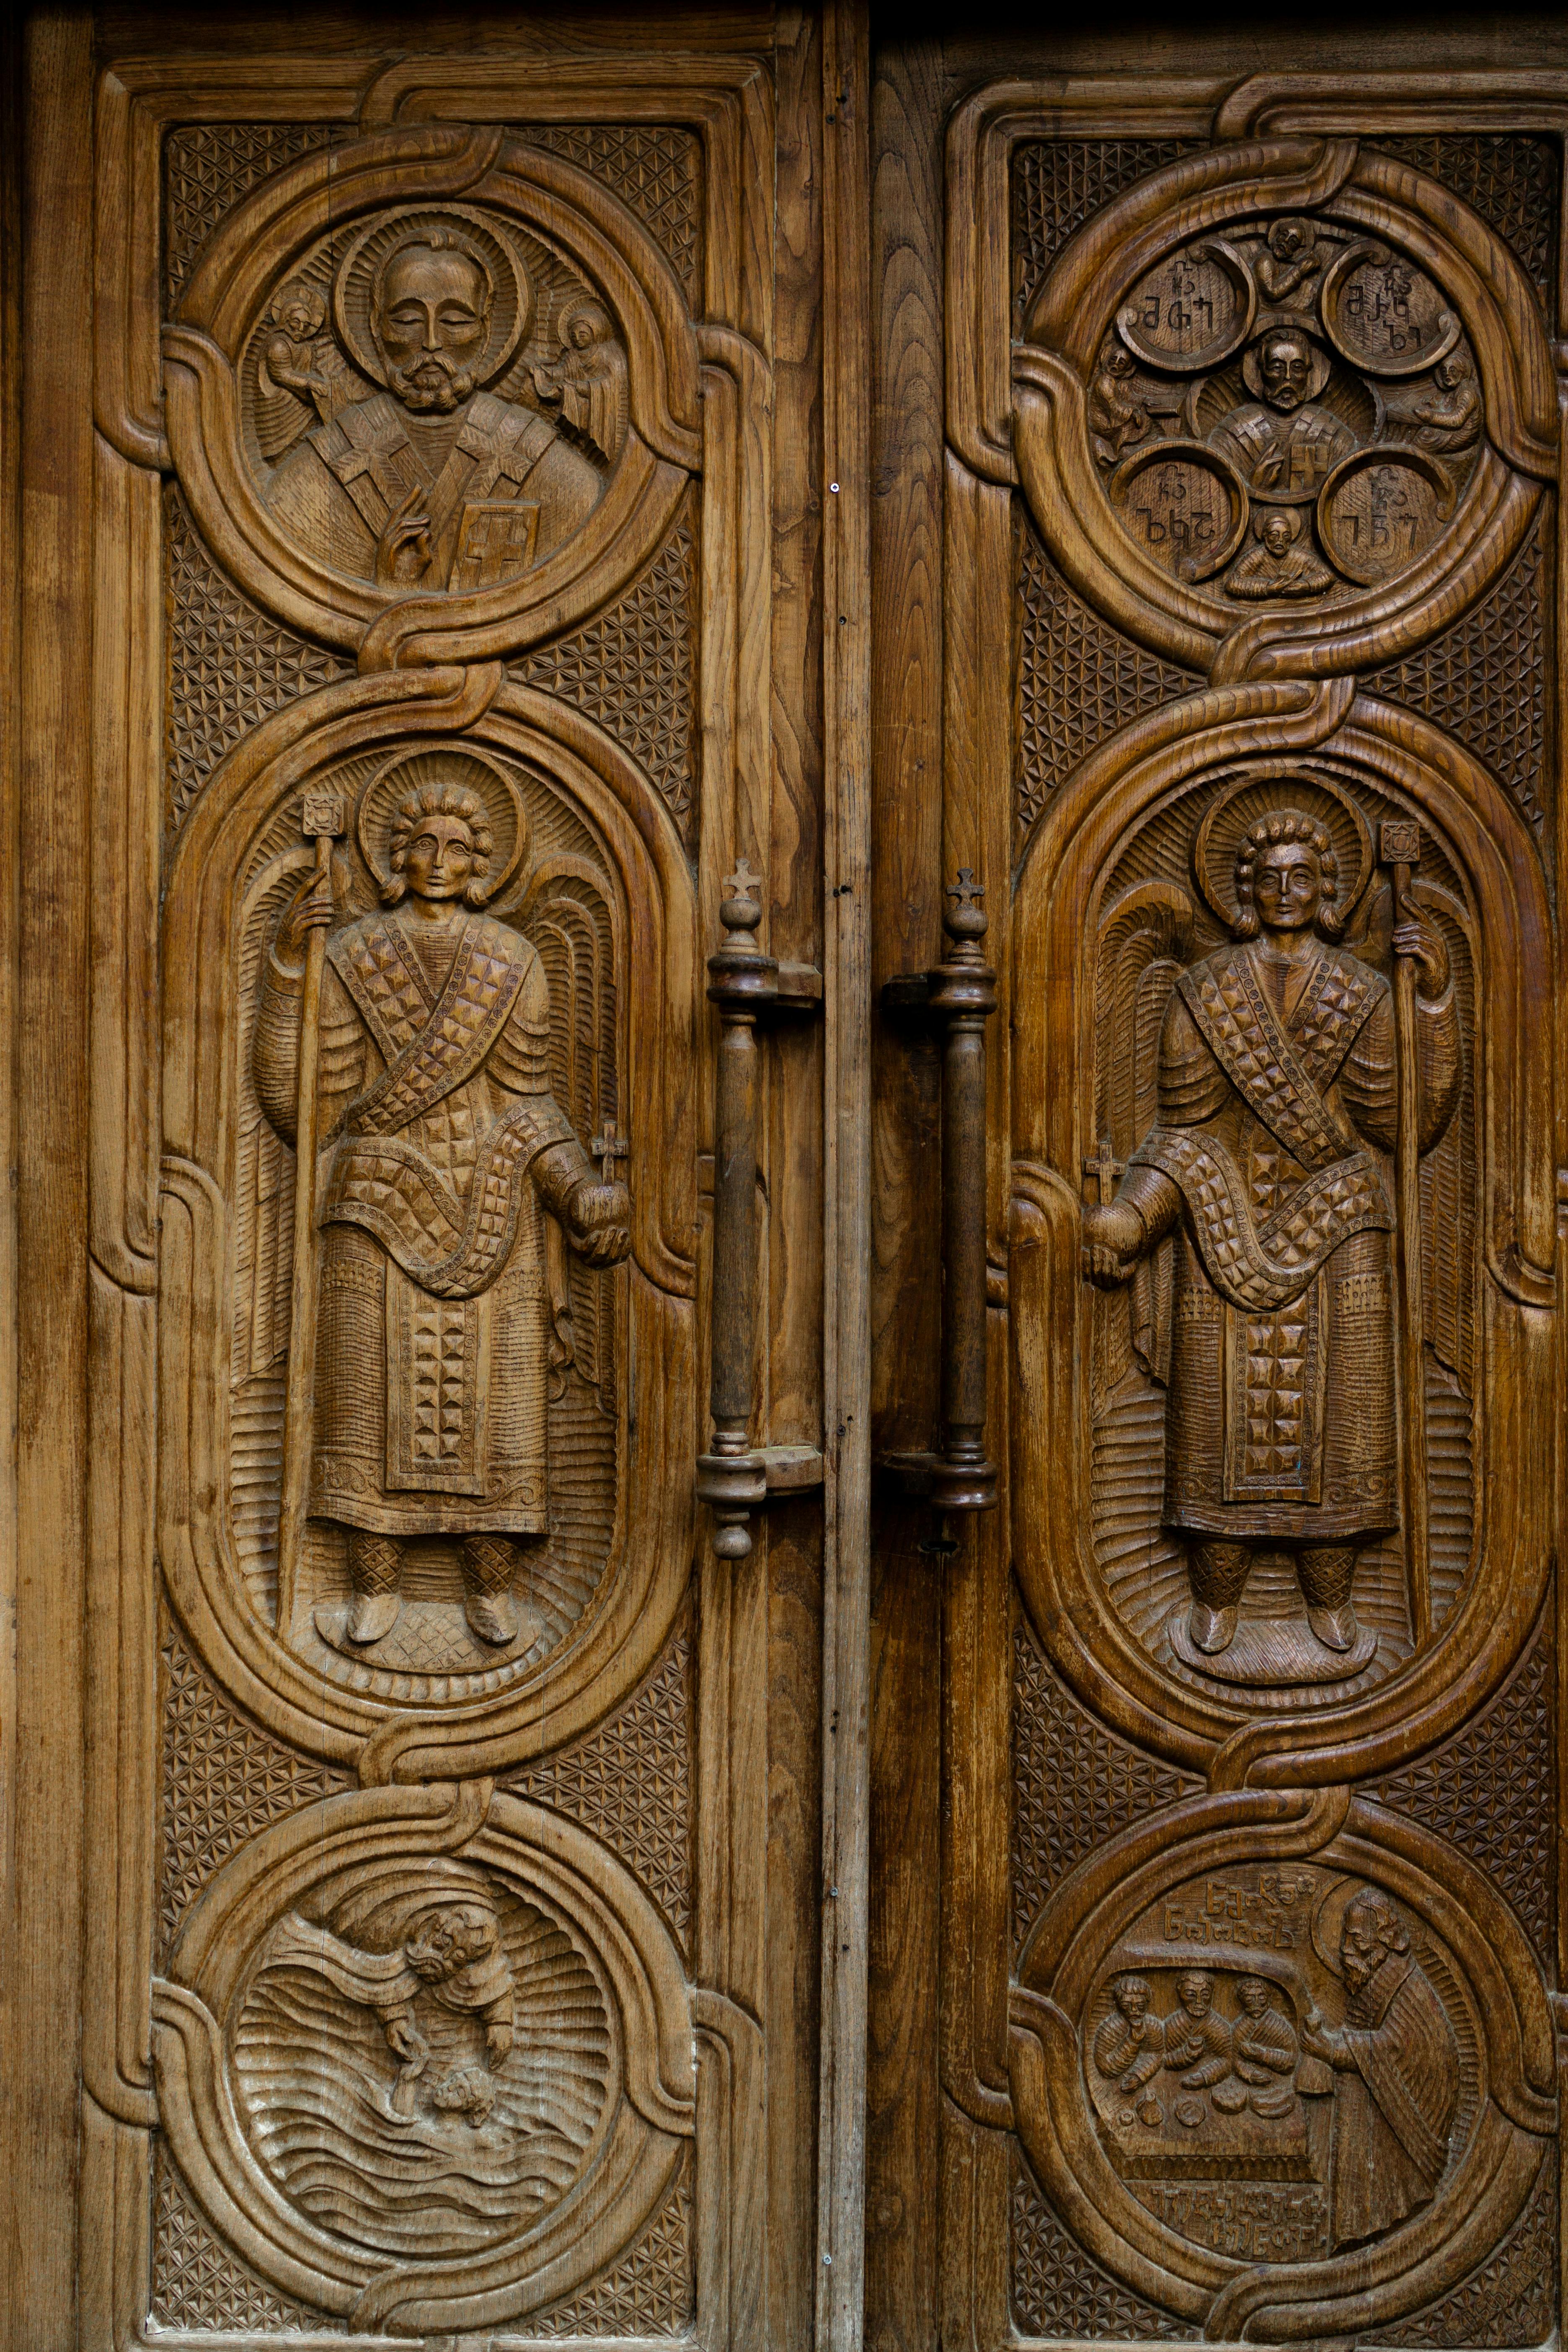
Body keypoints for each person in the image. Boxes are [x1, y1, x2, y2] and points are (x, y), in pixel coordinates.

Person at [253, 774, 631, 1652]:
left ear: (481, 864)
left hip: (490, 1200)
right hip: (374, 1201)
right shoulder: (353, 955)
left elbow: (530, 1103)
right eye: (421, 844)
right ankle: (371, 1583)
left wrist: (578, 1189)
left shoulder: (512, 963)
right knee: (365, 1400)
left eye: (457, 847)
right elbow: (297, 1102)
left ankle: (489, 1584)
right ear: (394, 859)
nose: (437, 861)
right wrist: (284, 962)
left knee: (494, 1406)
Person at [1083, 801, 1461, 1657]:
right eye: (1269, 876)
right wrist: (1133, 1213)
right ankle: (1214, 1594)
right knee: (1220, 1413)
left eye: (1302, 876)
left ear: (1325, 889)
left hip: (1337, 1230)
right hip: (1223, 1225)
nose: (1284, 890)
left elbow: (1406, 1120)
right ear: (1243, 890)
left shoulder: (1360, 991)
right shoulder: (1204, 991)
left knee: (1339, 1420)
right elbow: (1178, 1131)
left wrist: (1429, 999)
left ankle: (1330, 1598)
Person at [263, 225, 603, 589]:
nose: (430, 342)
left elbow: (585, 537)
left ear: (486, 332)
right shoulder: (321, 468)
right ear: (376, 329)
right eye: (407, 320)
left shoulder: (539, 458)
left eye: (455, 321)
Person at [1302, 1888, 1459, 2246]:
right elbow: (1364, 2035)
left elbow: (1397, 2046)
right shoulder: (1377, 1980)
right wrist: (1333, 2043)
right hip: (1378, 2111)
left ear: (1383, 1943)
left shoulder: (1405, 1986)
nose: (1345, 1950)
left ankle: (1370, 2223)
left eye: (1355, 1940)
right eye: (1344, 1938)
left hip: (1405, 2129)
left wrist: (1334, 2051)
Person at [1207, 325, 1356, 502]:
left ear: (1309, 372)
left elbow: (1349, 489)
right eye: (1277, 368)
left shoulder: (1332, 434)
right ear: (1261, 371)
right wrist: (1254, 486)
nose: (1287, 377)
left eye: (1297, 368)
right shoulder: (1233, 433)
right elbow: (1215, 493)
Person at [532, 298, 629, 467]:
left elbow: (614, 382)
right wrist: (543, 372)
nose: (577, 339)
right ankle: (575, 437)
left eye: (582, 335)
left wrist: (583, 387)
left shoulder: (608, 355)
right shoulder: (573, 356)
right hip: (580, 406)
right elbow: (561, 372)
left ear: (595, 332)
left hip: (601, 412)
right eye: (573, 336)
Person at [1224, 508, 1336, 600]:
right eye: (1274, 535)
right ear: (1265, 535)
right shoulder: (1257, 556)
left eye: (1286, 536)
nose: (1280, 541)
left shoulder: (1298, 556)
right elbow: (1233, 584)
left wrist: (1307, 586)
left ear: (1291, 538)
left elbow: (1328, 575)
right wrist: (1267, 588)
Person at [1232, 1974, 1301, 2117]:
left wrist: (1263, 2055)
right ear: (1243, 2001)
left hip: (1278, 2087)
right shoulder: (1240, 2027)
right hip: (1247, 2087)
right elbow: (1234, 2059)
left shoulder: (1280, 2026)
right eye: (1250, 1998)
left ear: (1269, 1999)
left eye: (1261, 1997)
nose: (1256, 2003)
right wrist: (1250, 2074)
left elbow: (1291, 2061)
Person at [1094, 1974, 1168, 2091]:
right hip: (1113, 2088)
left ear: (1147, 2003)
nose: (1134, 2011)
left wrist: (1140, 2076)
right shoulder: (1110, 2028)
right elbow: (1106, 2067)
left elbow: (1157, 2054)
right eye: (1126, 2005)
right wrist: (1132, 2042)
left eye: (1140, 2006)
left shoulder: (1152, 2026)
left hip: (1145, 2084)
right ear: (1118, 2004)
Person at [1411, 349, 1481, 455]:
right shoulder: (1458, 390)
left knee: (1425, 435)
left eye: (1452, 370)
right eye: (1444, 371)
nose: (1447, 374)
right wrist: (1434, 406)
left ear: (1462, 372)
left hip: (1463, 435)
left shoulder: (1467, 393)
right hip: (1456, 432)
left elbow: (1457, 420)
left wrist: (1430, 417)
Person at [1256, 218, 1322, 309]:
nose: (1286, 241)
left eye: (1293, 242)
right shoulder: (1265, 260)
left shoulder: (1286, 262)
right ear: (1276, 235)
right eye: (1284, 235)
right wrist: (1300, 271)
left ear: (1298, 249)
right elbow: (1272, 293)